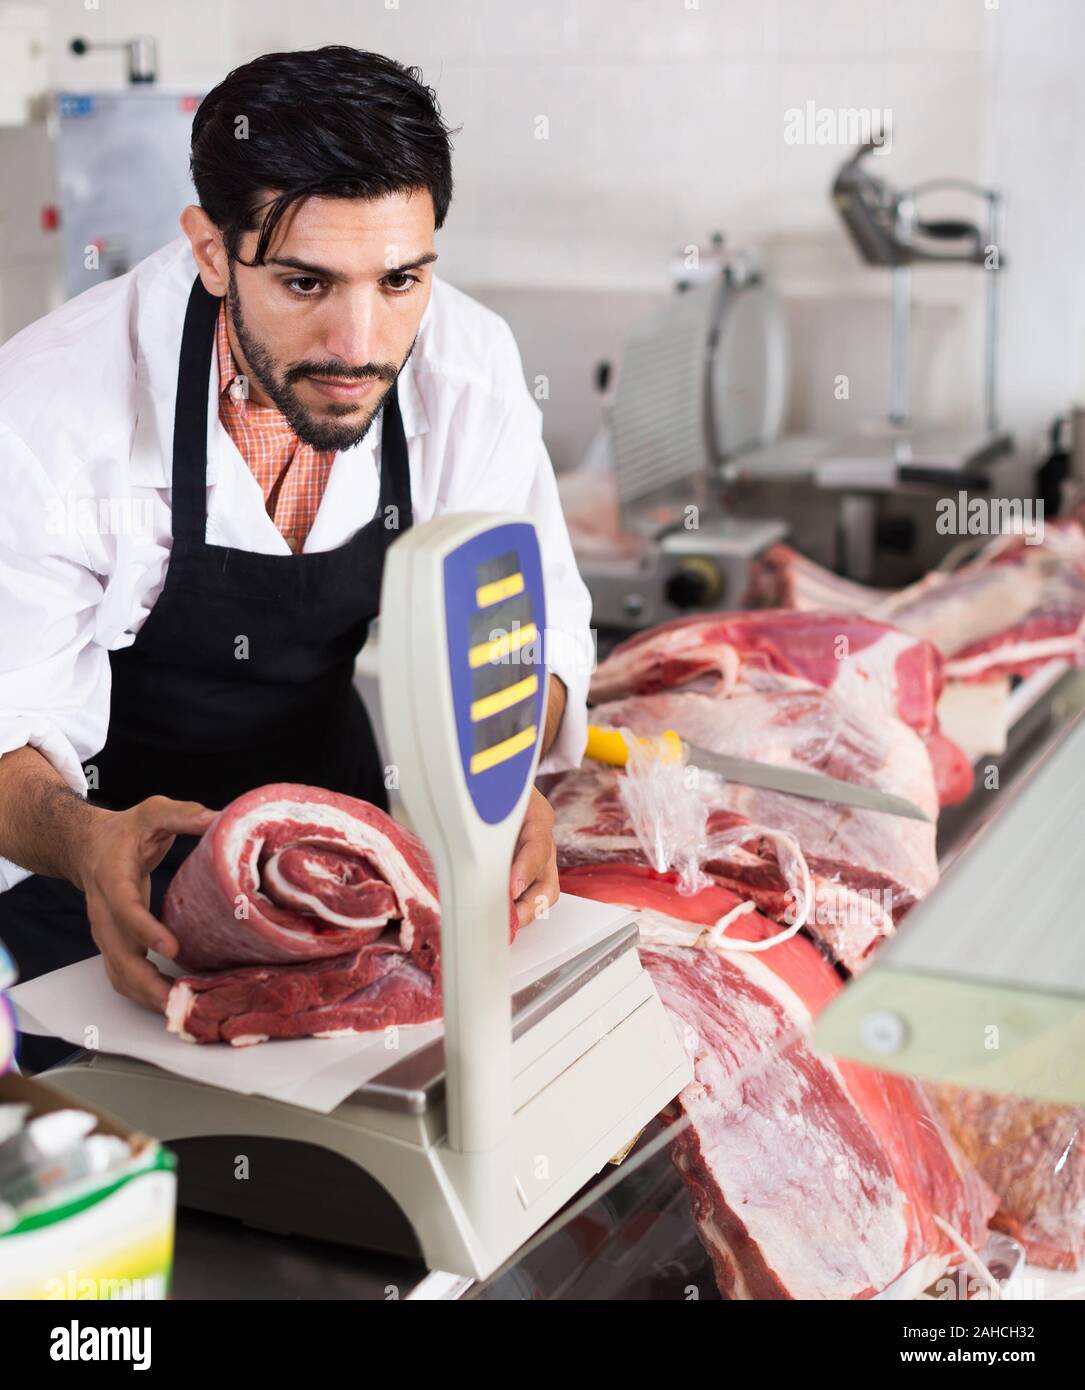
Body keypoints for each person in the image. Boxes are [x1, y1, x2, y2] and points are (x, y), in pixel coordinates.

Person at [0, 46, 592, 1046]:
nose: (360, 342)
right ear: (208, 249)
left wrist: (502, 774)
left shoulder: (468, 367)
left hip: (344, 847)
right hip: (98, 870)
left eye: (400, 278)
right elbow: (7, 720)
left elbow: (528, 627)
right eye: (306, 282)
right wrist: (85, 842)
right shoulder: (51, 406)